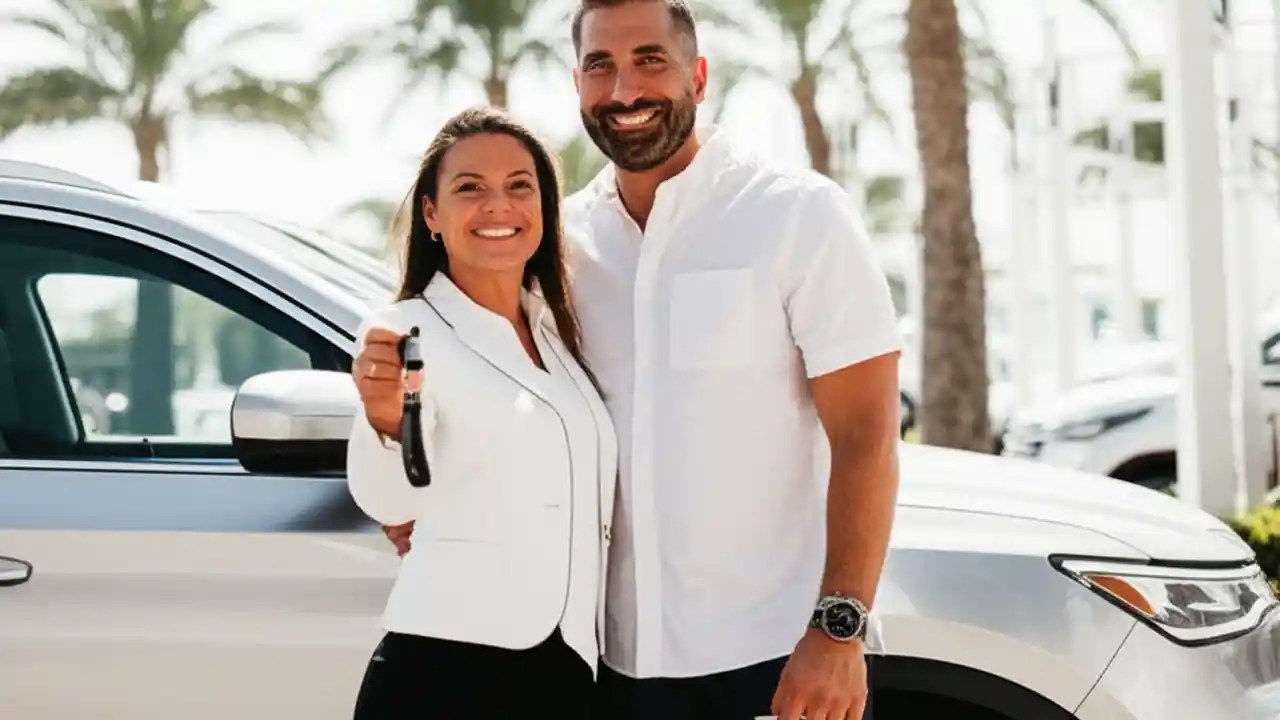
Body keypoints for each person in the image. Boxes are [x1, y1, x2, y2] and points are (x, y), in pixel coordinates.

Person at [378, 0, 903, 717]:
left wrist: (838, 630)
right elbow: (497, 387)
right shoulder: (560, 250)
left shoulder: (796, 216)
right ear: (578, 84)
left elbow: (868, 435)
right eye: (601, 67)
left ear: (700, 75)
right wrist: (420, 484)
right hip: (608, 675)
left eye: (650, 60)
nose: (624, 92)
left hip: (777, 665)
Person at [345, 106, 616, 719]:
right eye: (471, 188)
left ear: (544, 209)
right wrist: (386, 419)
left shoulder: (556, 333)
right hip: (447, 677)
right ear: (432, 215)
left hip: (569, 670)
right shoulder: (402, 332)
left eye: (520, 186)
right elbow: (391, 504)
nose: (499, 206)